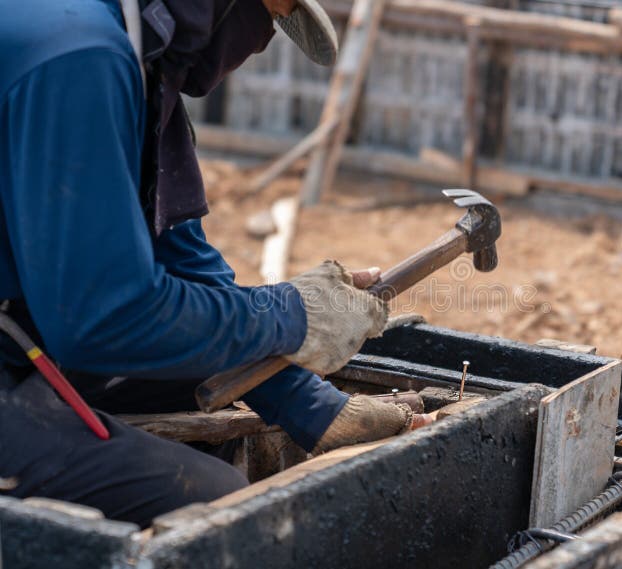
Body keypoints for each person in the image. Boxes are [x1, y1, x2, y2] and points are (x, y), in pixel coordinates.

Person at [0, 0, 415, 527]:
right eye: (267, 15)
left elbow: (180, 259)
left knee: (197, 401)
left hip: (27, 329)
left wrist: (309, 404)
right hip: (35, 337)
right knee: (214, 505)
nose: (259, 42)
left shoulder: (138, 56)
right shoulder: (80, 56)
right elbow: (106, 316)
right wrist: (290, 315)